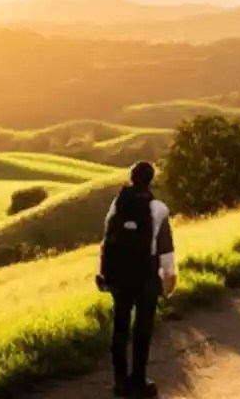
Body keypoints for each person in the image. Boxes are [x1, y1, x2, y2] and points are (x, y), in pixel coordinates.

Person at [96, 161, 176, 398]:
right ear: (151, 180)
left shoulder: (117, 204)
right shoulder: (159, 209)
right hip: (146, 273)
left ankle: (120, 382)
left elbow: (107, 240)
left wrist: (105, 272)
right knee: (143, 328)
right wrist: (169, 277)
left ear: (131, 178)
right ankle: (138, 381)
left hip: (119, 273)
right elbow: (166, 249)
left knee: (120, 326)